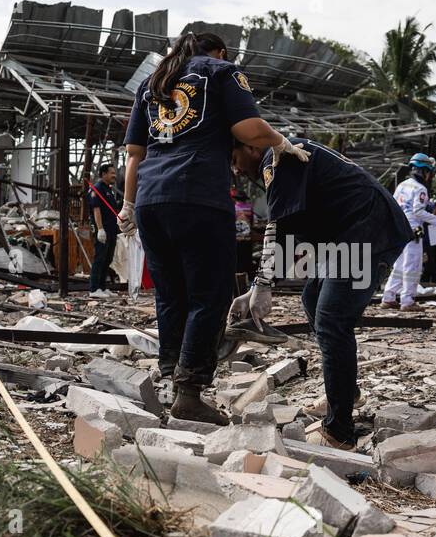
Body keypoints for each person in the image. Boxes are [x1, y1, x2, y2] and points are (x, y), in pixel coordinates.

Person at [119, 30, 306, 424]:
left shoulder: (154, 83)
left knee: (171, 295)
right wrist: (281, 142)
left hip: (151, 198)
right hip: (197, 194)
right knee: (209, 295)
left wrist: (128, 204)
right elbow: (248, 129)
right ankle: (189, 393)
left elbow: (134, 154)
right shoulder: (222, 71)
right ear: (219, 50)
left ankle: (170, 381)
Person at [230, 137, 412, 449]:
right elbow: (288, 230)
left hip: (369, 229)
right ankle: (346, 392)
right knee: (312, 300)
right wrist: (257, 287)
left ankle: (340, 431)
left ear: (250, 146)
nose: (234, 168)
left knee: (331, 318)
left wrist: (262, 285)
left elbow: (278, 227)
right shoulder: (284, 155)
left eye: (233, 158)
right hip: (348, 235)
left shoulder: (276, 158)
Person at [381, 153, 436, 310]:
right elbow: (418, 211)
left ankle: (388, 297)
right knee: (412, 267)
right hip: (413, 232)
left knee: (398, 266)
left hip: (400, 230)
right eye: (429, 172)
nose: (429, 175)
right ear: (424, 171)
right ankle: (407, 301)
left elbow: (395, 207)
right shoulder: (420, 189)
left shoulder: (402, 185)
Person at [87, 162, 120, 296]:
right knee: (100, 258)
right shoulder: (97, 189)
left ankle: (102, 287)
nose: (114, 175)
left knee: (108, 258)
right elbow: (96, 210)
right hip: (103, 230)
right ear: (104, 174)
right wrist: (100, 229)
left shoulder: (108, 189)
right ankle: (94, 289)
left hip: (111, 229)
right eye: (112, 173)